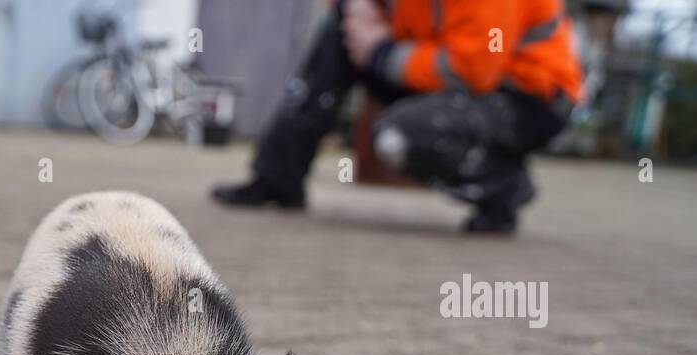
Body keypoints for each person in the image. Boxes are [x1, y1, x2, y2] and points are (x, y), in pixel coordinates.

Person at [211, 0, 584, 234]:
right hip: (444, 74)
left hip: (528, 97)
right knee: (340, 31)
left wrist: (379, 53)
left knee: (400, 138)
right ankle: (278, 177)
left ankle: (502, 186)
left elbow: (473, 69)